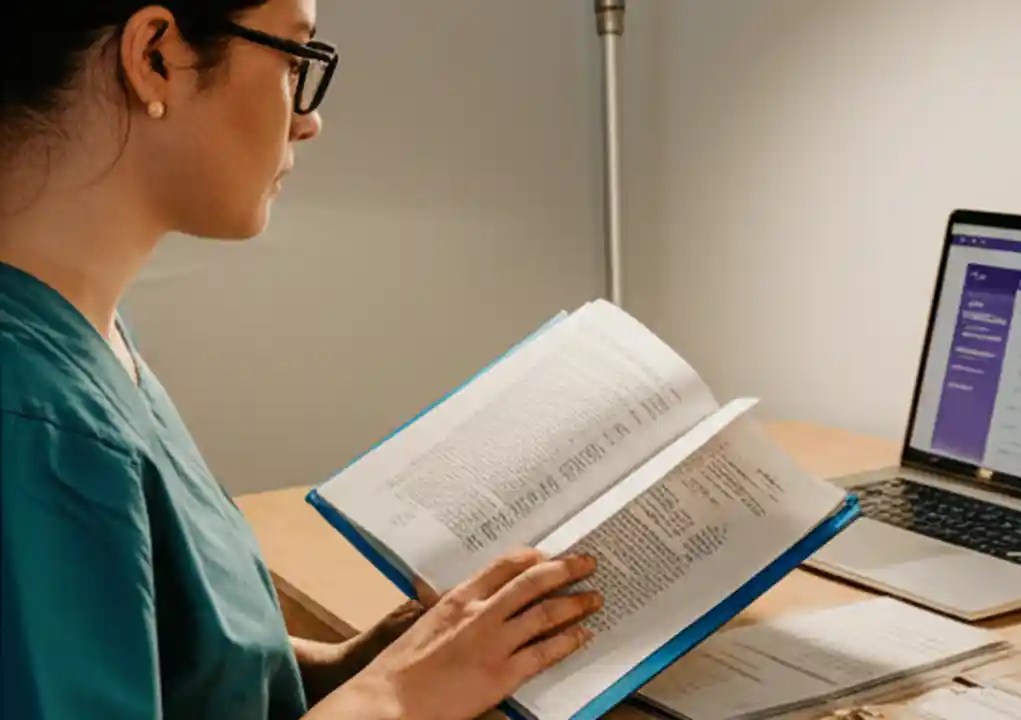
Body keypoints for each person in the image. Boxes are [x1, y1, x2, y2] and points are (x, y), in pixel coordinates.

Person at [0, 1, 604, 718]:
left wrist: (361, 663)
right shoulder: (31, 419)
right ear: (156, 57)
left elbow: (166, 654)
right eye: (293, 60)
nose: (308, 120)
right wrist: (395, 698)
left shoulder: (82, 334)